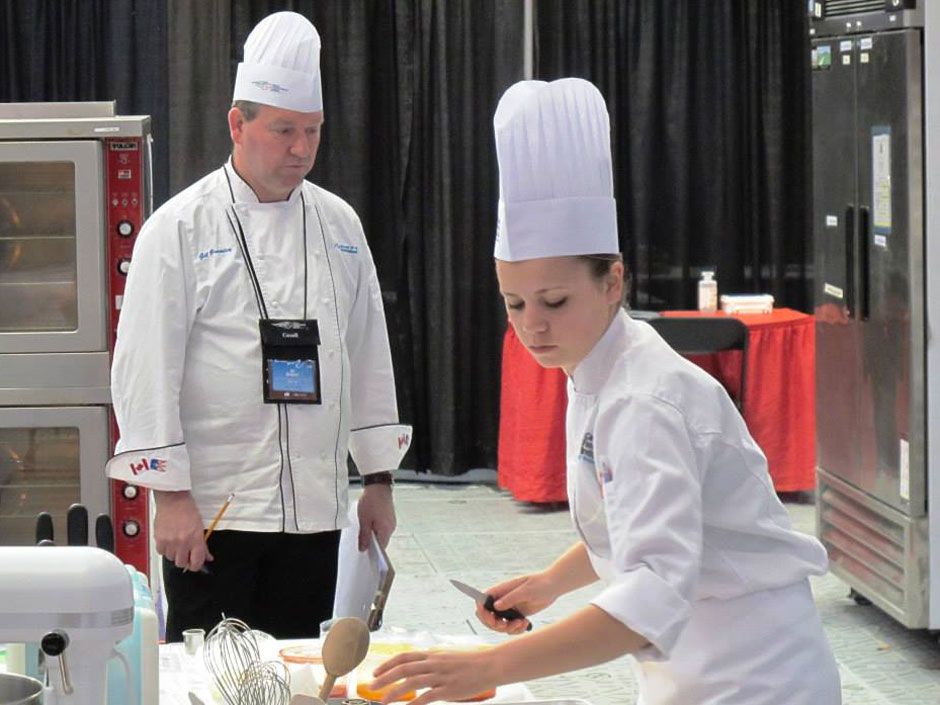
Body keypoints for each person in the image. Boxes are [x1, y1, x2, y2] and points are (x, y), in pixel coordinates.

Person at [369, 79, 840, 704]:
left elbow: (653, 591)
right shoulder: (595, 372)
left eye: (555, 301)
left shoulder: (645, 400)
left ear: (614, 281)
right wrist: (549, 583)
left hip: (756, 678)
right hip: (692, 675)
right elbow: (634, 523)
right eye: (515, 303)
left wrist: (490, 668)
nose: (533, 324)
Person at [106, 11, 411, 642]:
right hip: (218, 514)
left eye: (312, 131)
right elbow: (144, 370)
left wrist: (377, 481)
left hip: (317, 512)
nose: (300, 149)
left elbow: (369, 356)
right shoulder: (180, 227)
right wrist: (172, 499)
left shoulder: (340, 226)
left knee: (303, 669)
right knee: (214, 675)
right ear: (237, 125)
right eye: (282, 131)